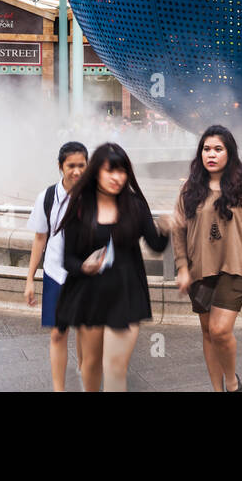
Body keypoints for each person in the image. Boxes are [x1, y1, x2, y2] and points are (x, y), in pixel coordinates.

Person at [53, 142, 170, 392]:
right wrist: (83, 267)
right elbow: (68, 259)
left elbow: (156, 245)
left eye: (122, 171)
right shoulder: (80, 206)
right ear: (96, 172)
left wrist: (167, 229)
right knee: (91, 365)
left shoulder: (135, 205)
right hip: (90, 296)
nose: (117, 178)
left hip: (126, 296)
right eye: (110, 171)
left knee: (115, 367)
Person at [172, 125, 242, 392]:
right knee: (207, 332)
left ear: (230, 153)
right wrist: (181, 267)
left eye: (218, 149)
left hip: (236, 268)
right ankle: (217, 389)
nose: (210, 154)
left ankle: (232, 383)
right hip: (199, 269)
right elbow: (178, 230)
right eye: (206, 149)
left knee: (220, 330)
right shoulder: (190, 189)